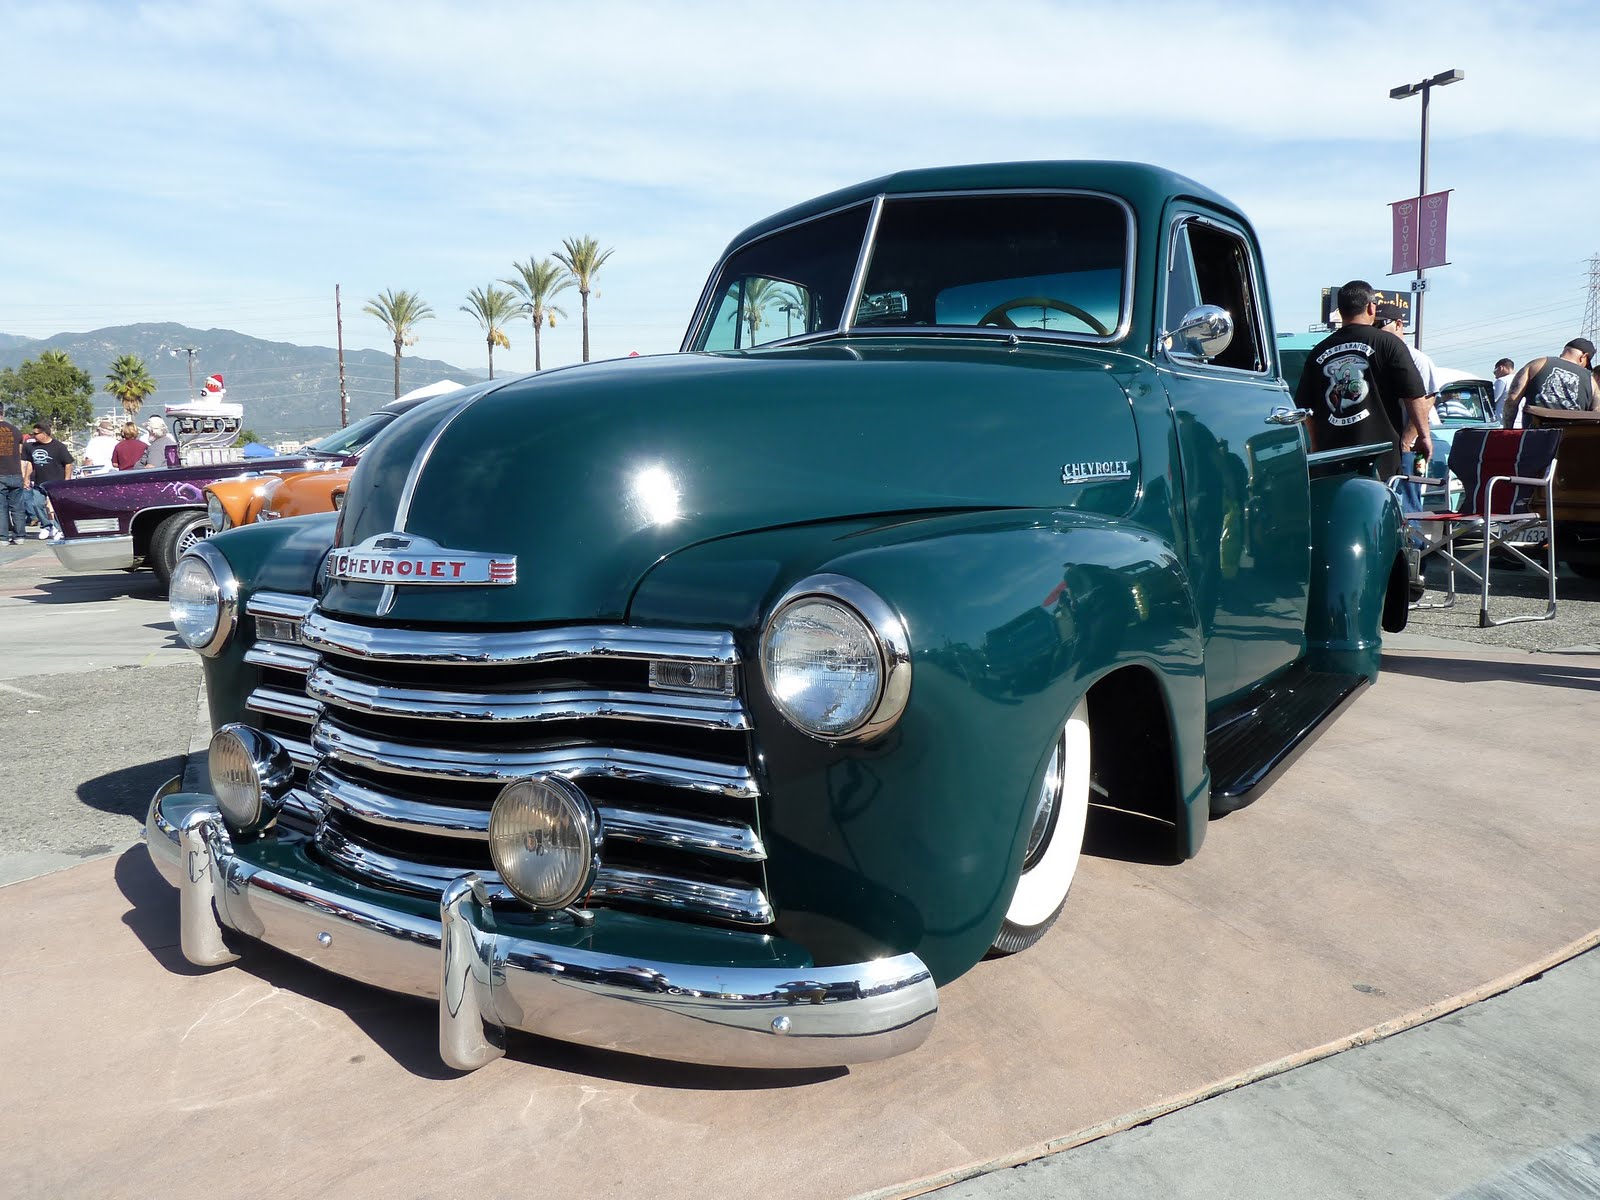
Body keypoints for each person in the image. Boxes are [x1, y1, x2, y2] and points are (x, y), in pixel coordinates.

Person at [1293, 280, 1430, 481]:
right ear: (1371, 307)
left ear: (1340, 311)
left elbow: (1306, 409)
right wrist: (1424, 435)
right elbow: (1414, 395)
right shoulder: (1389, 343)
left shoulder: (1319, 351)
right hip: (1379, 458)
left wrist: (1316, 446)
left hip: (1332, 459)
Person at [1500, 338, 1599, 428]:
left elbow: (1512, 399)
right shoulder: (1591, 381)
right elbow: (1597, 413)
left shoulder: (1537, 364)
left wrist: (1507, 429)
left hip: (1533, 437)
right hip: (1570, 440)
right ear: (1583, 356)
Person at [25, 420, 74, 540]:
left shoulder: (59, 447)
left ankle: (58, 528)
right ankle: (46, 526)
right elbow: (30, 463)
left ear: (44, 434)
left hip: (56, 482)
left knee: (57, 507)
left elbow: (68, 463)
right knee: (36, 504)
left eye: (36, 433)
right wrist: (26, 477)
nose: (34, 436)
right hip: (39, 482)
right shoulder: (32, 447)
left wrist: (66, 480)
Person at [0, 405, 26, 545]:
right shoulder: (15, 430)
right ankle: (20, 536)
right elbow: (20, 452)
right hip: (15, 472)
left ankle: (3, 538)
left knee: (1, 508)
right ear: (3, 412)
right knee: (17, 507)